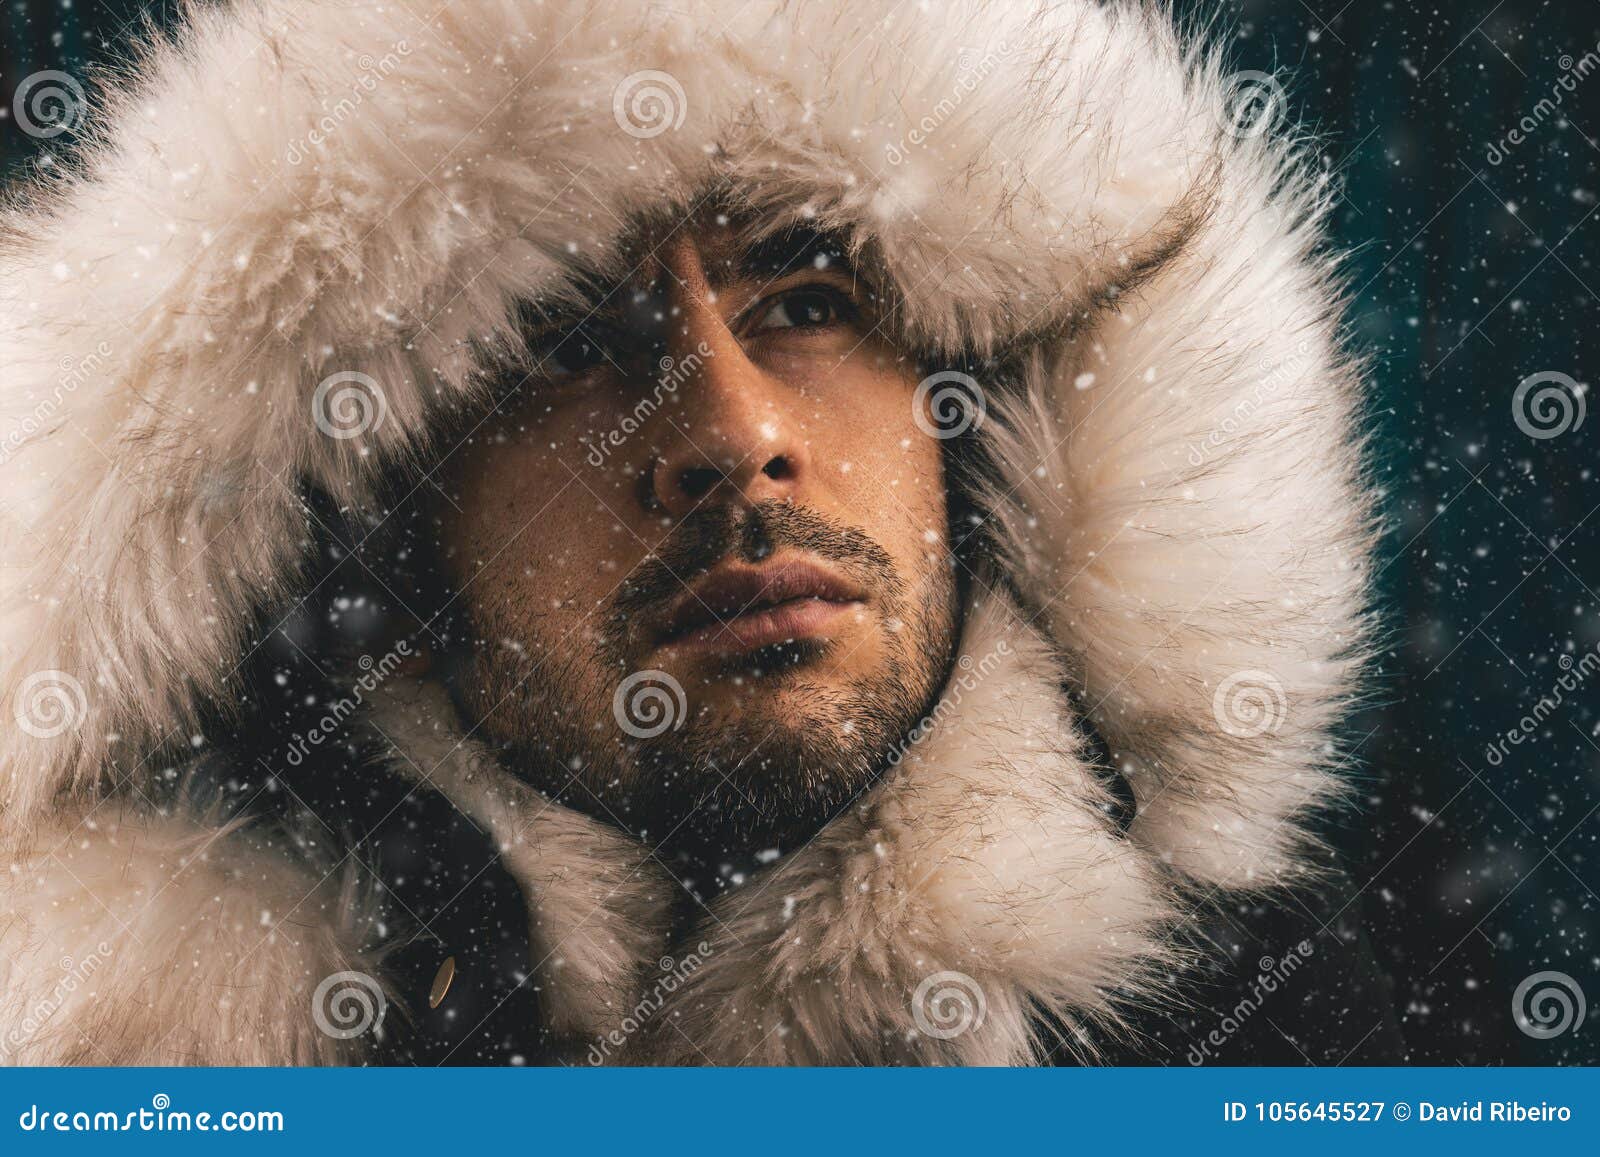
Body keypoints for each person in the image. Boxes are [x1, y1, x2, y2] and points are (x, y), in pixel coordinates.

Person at [0, 0, 1402, 1065]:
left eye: (804, 300)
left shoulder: (1312, 1029)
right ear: (373, 524)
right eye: (561, 346)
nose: (733, 433)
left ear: (974, 419)